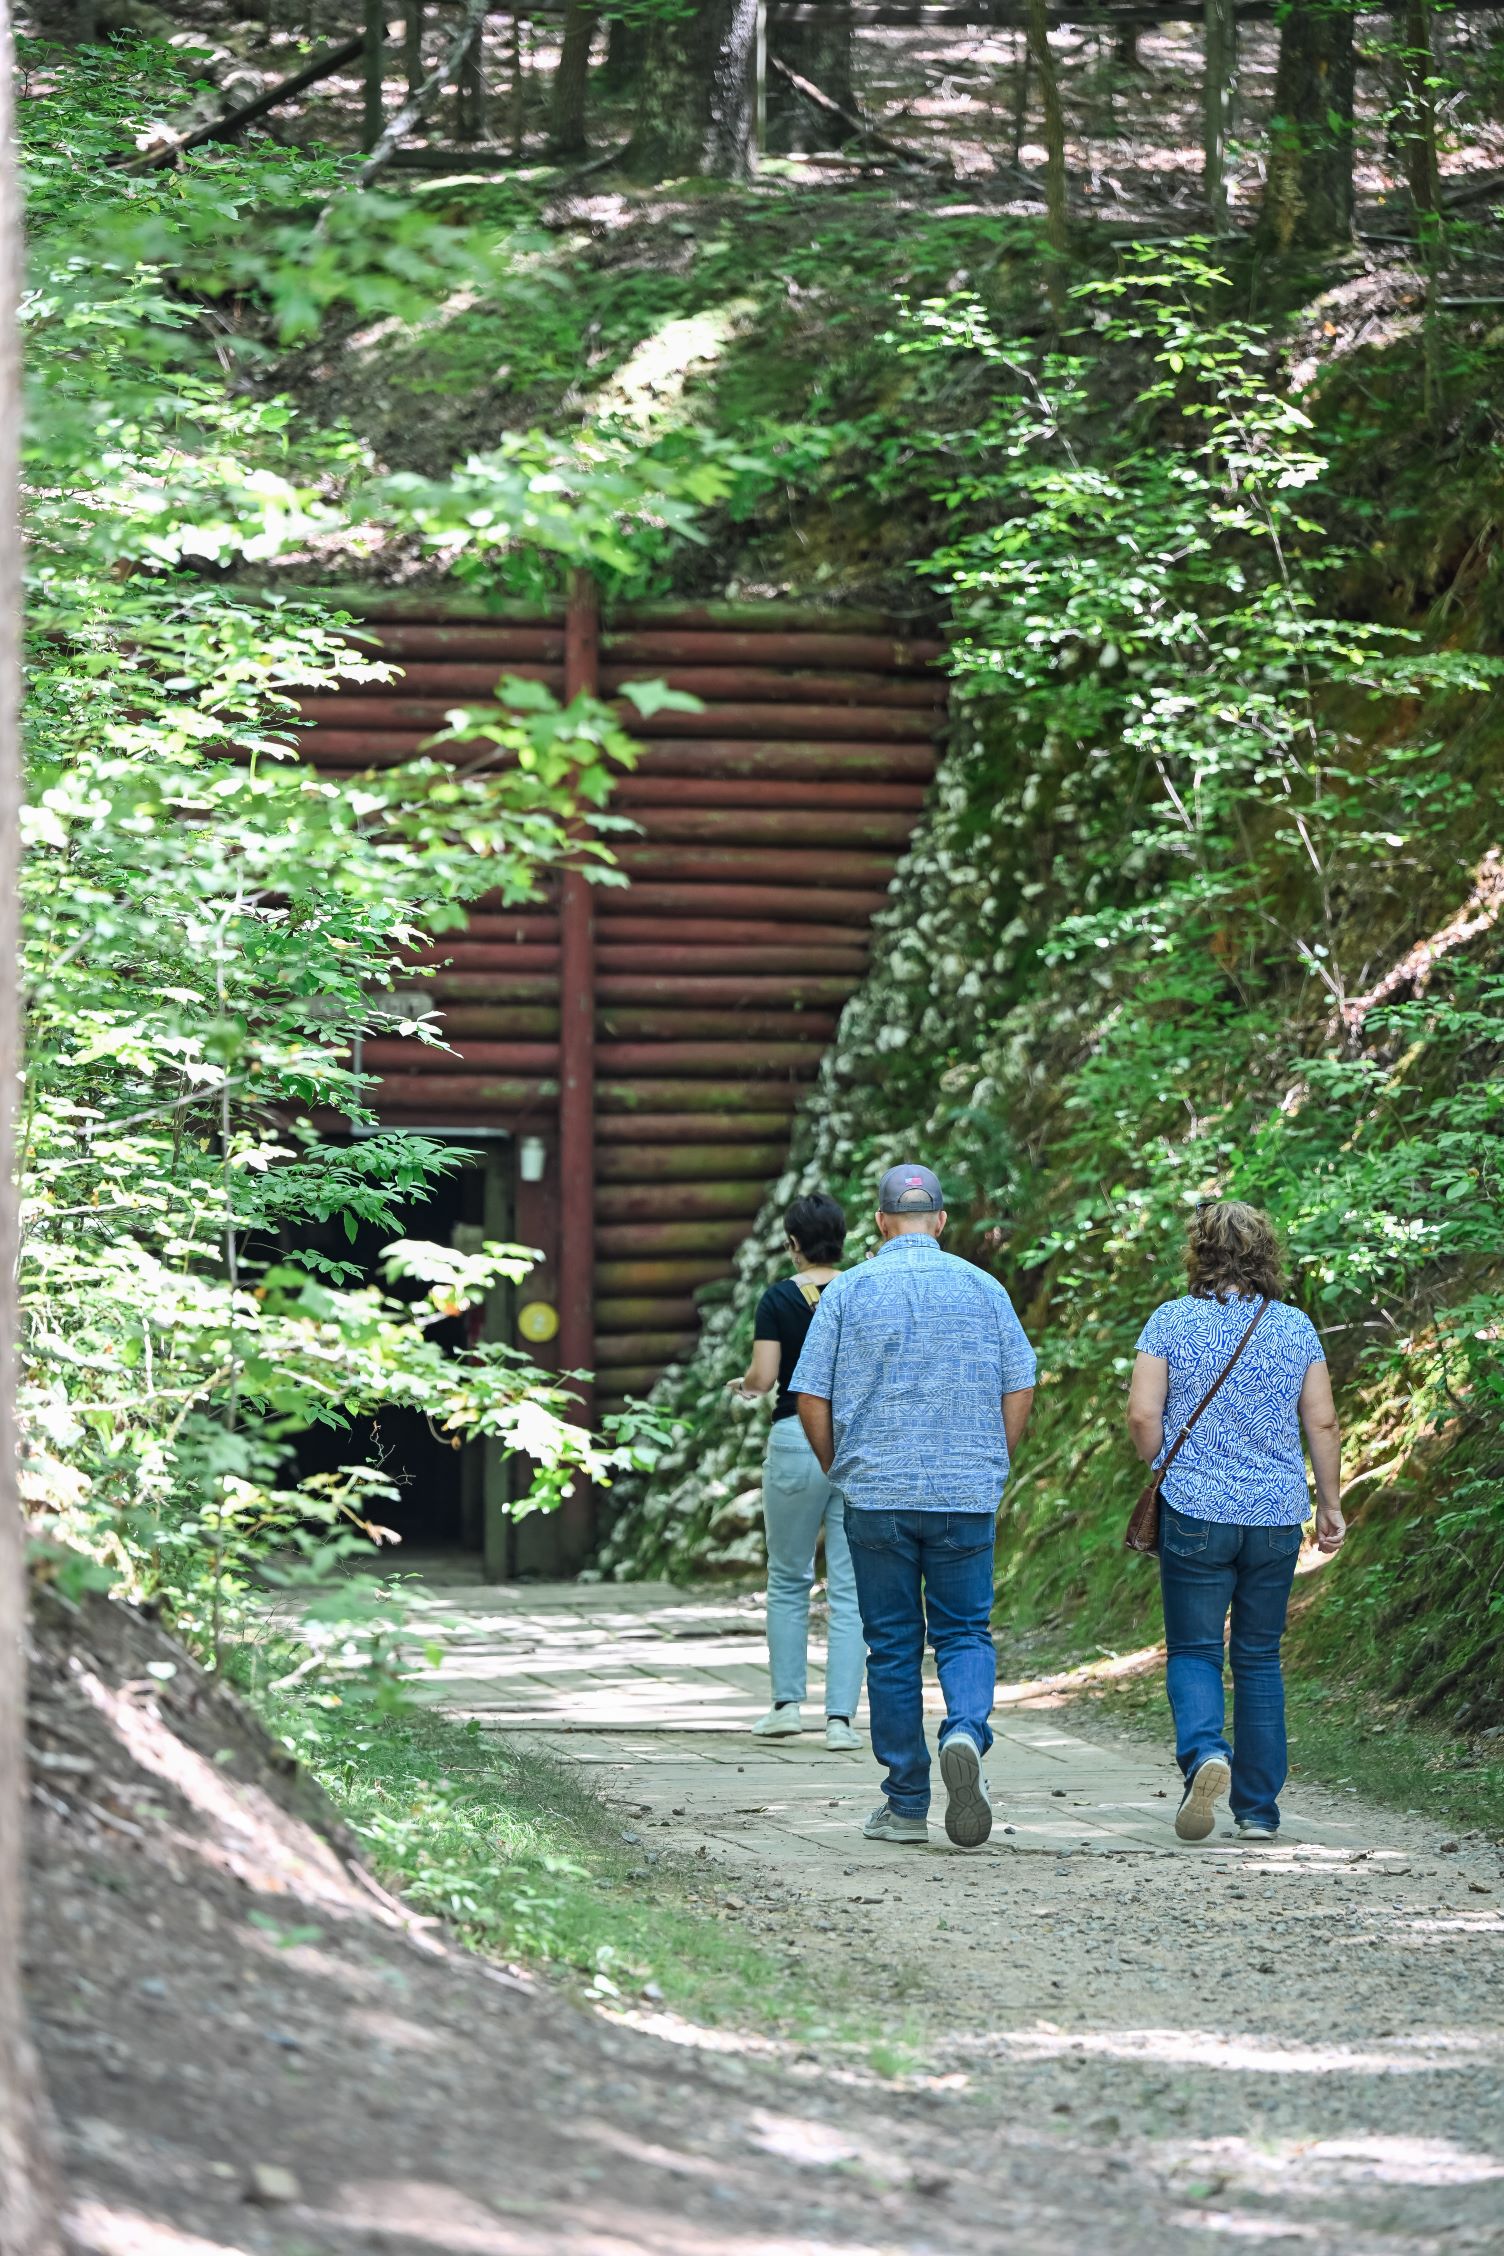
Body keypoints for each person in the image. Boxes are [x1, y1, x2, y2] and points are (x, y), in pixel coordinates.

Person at [790, 1163, 1036, 1848]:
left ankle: (904, 1805)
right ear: (942, 1220)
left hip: (877, 1495)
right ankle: (965, 1732)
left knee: (893, 1645)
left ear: (880, 1222)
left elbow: (810, 1393)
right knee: (965, 1632)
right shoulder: (984, 1287)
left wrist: (837, 1466)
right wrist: (993, 1460)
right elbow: (1021, 1383)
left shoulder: (848, 1291)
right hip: (965, 1493)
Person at [1126, 1199, 1346, 1845]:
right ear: (1265, 1255)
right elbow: (1322, 1421)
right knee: (1258, 1656)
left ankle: (1204, 1754)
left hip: (1195, 1510)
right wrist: (1330, 1504)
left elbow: (1142, 1414)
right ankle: (1258, 1811)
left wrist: (1164, 1463)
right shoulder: (1294, 1327)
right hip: (1275, 1516)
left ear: (1199, 1252)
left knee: (1195, 1650)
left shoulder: (1170, 1320)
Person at [729, 1192, 865, 1752]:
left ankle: (786, 1707)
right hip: (856, 1441)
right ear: (842, 1238)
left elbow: (764, 1378)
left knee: (788, 1578)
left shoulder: (779, 1298)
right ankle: (841, 1722)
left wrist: (743, 1386)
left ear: (793, 1243)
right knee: (851, 1589)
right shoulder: (863, 1290)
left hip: (795, 1438)